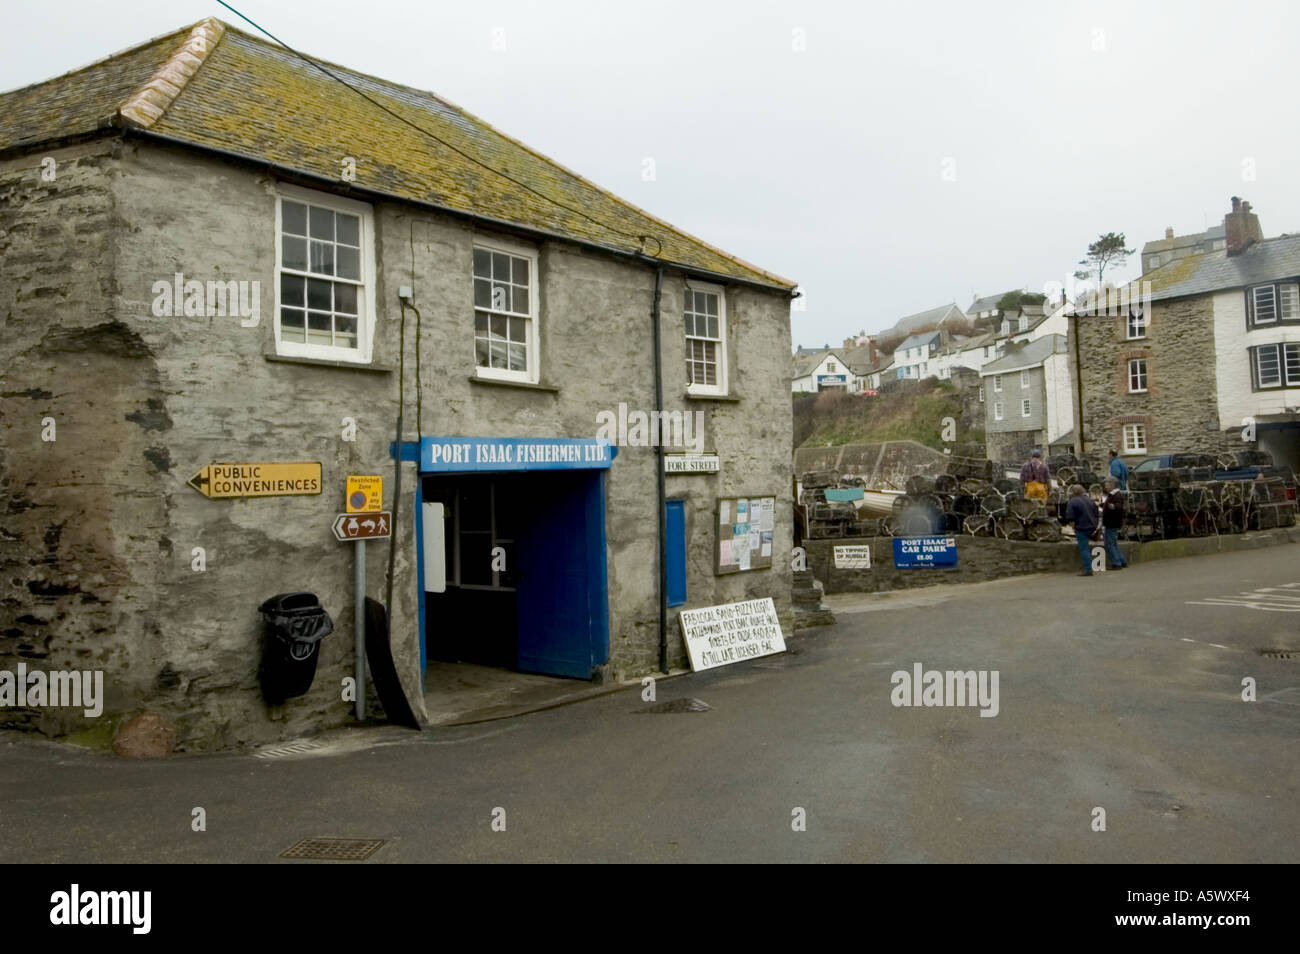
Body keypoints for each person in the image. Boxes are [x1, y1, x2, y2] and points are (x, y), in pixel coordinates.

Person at [1064, 483, 1100, 576]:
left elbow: (1071, 518)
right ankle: (1089, 566)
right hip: (1092, 526)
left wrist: (1073, 528)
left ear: (1073, 492)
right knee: (1087, 547)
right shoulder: (1090, 500)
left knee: (1084, 548)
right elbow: (1096, 514)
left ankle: (1088, 569)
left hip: (1081, 527)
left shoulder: (1072, 502)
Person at [1100, 477, 1128, 569]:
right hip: (1113, 523)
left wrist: (1112, 506)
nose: (1105, 487)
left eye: (1107, 485)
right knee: (1114, 543)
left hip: (1111, 523)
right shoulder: (1113, 495)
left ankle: (1116, 563)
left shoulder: (1116, 495)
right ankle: (1122, 560)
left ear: (1112, 485)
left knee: (1109, 544)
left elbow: (1118, 506)